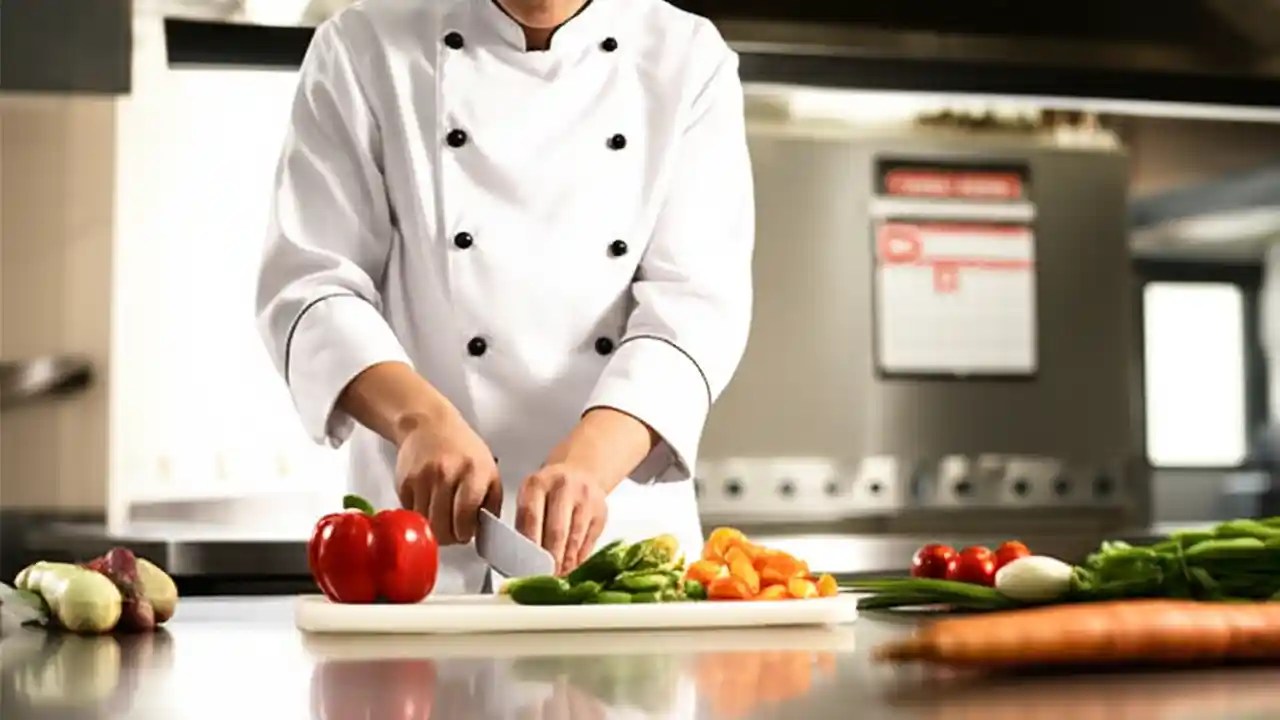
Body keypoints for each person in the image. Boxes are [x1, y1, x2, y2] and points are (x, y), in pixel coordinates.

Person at [256, 0, 754, 594]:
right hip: (419, 556)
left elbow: (695, 306)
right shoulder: (364, 46)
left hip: (618, 559)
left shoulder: (687, 57)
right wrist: (420, 420)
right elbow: (312, 283)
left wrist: (590, 463)